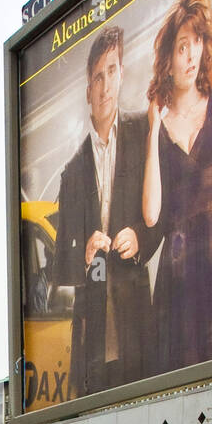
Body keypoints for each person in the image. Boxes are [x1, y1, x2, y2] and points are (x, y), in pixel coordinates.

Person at [142, 0, 212, 376]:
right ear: (168, 60)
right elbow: (151, 215)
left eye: (196, 44)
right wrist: (153, 131)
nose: (190, 55)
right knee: (175, 391)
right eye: (181, 47)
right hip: (173, 272)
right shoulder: (158, 124)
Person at [52, 24, 159, 397]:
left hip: (136, 322)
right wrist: (82, 256)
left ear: (122, 73)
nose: (105, 85)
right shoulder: (72, 171)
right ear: (87, 91)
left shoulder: (143, 132)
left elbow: (165, 212)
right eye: (97, 77)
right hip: (93, 334)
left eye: (111, 71)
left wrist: (141, 236)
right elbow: (59, 264)